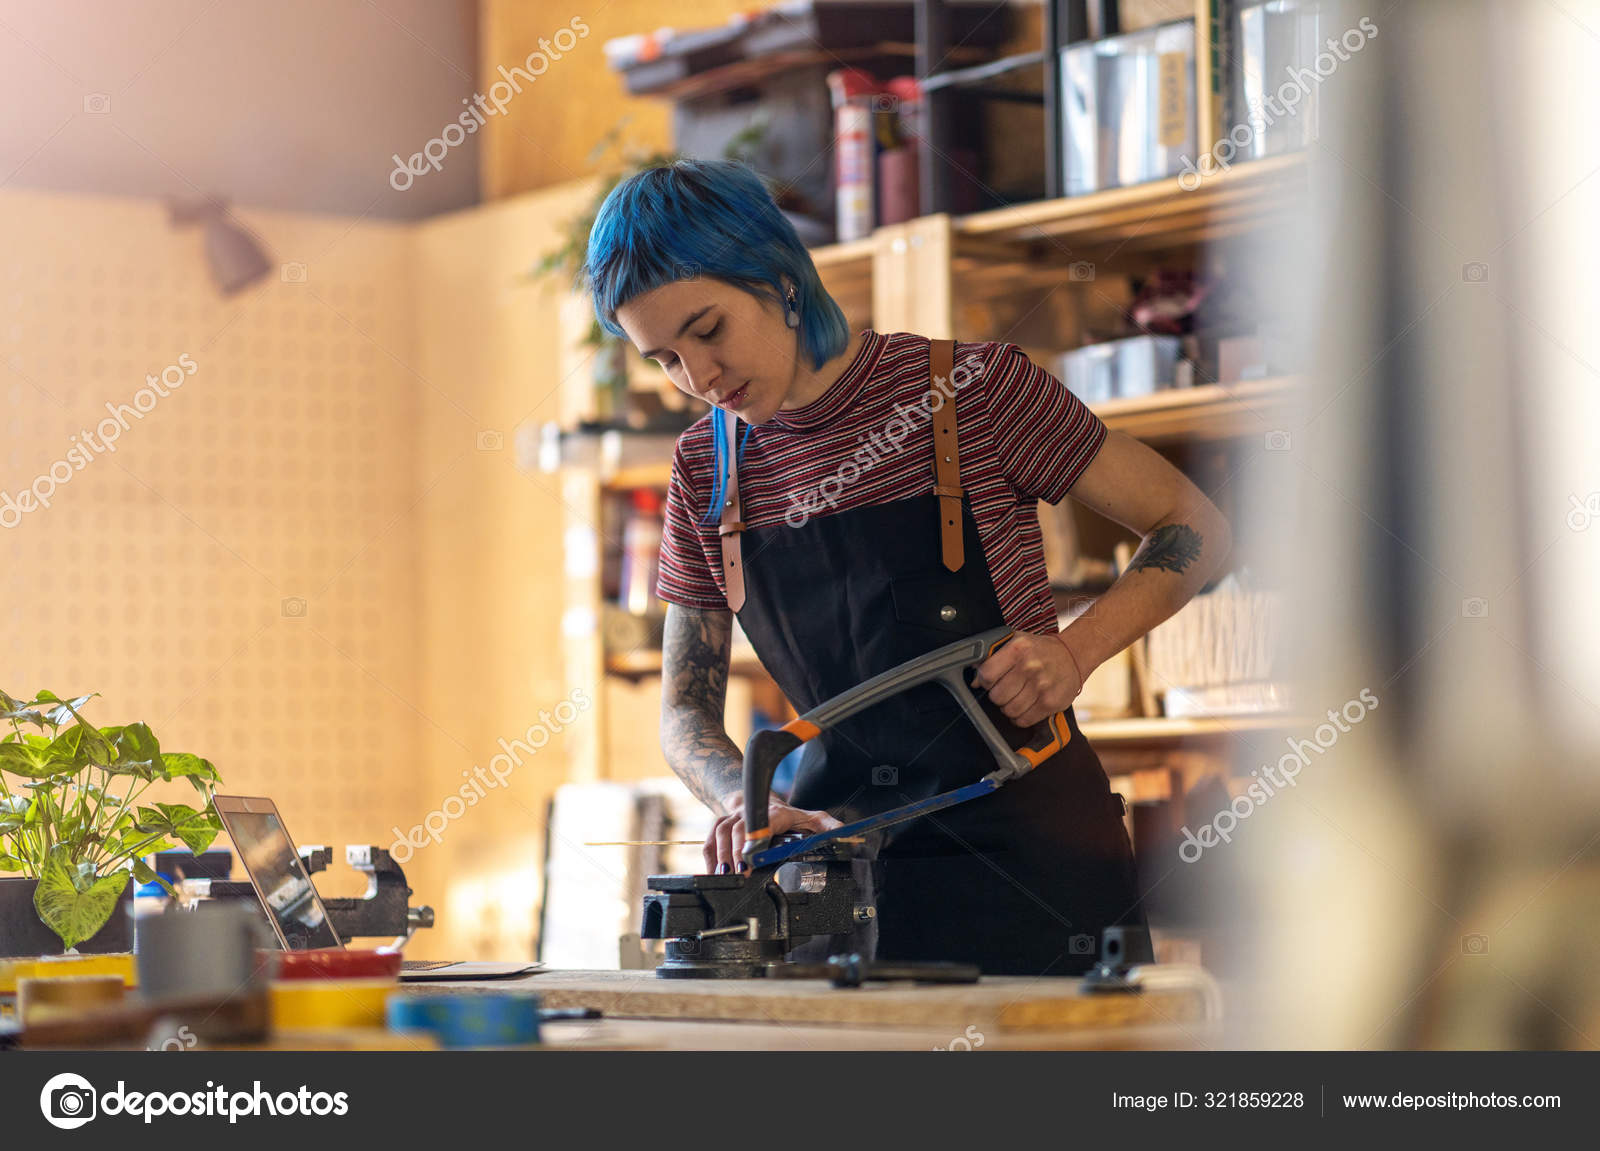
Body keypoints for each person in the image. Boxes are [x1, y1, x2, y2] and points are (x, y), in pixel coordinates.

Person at [584, 160, 1231, 975]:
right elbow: (683, 708)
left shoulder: (972, 390)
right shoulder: (705, 471)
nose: (699, 379)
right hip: (838, 878)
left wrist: (1075, 651)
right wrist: (746, 801)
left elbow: (1194, 524)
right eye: (665, 359)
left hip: (1033, 865)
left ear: (780, 278)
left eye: (708, 329)